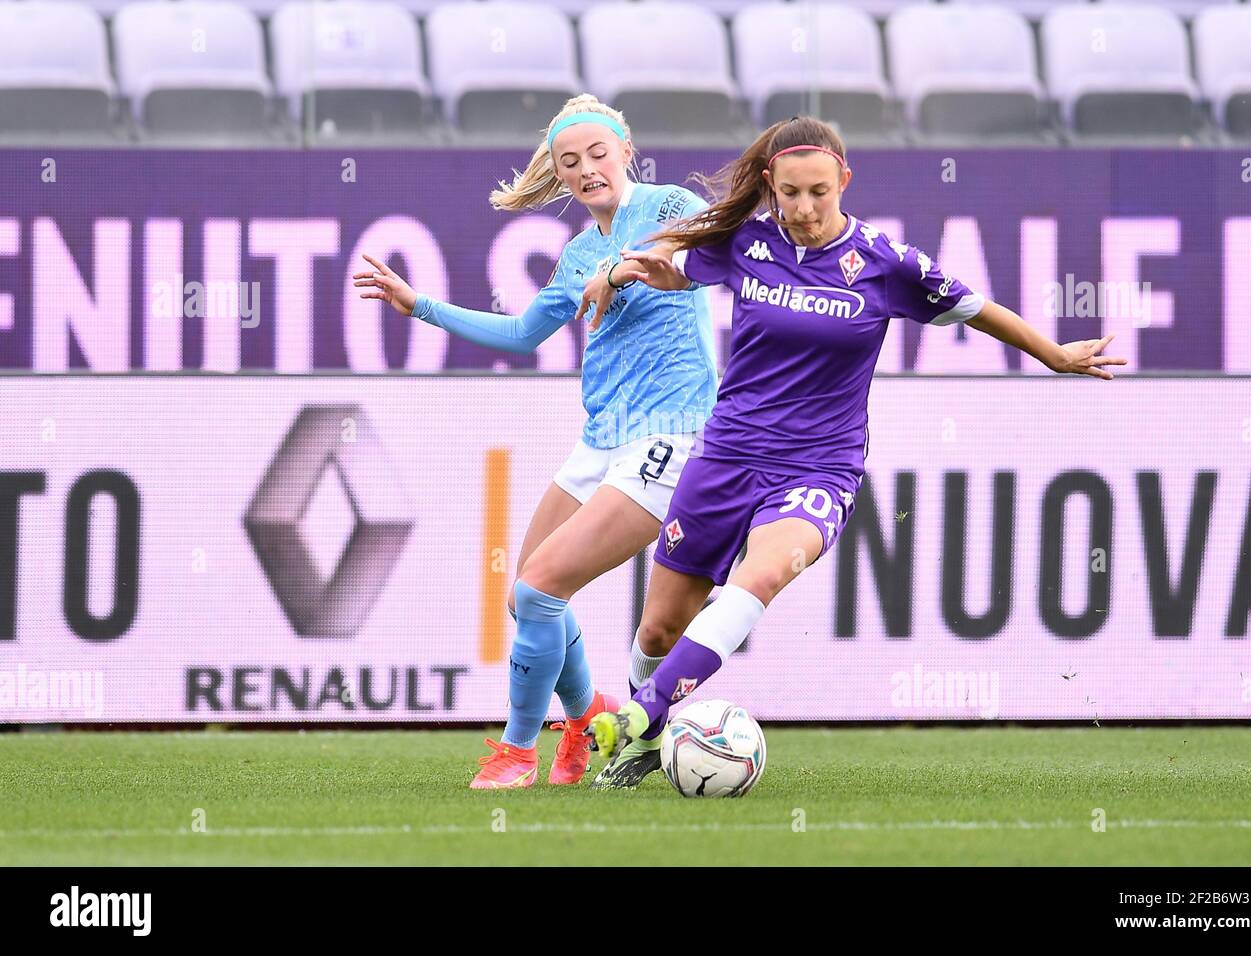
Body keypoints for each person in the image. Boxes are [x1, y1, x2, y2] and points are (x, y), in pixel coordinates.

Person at [583, 116, 1128, 779]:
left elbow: (978, 308)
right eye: (790, 193)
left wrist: (1052, 355)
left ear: (844, 180)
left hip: (818, 466)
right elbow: (677, 259)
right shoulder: (746, 246)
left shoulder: (885, 264)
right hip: (725, 457)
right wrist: (627, 271)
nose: (806, 208)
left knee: (762, 575)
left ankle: (642, 714)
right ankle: (647, 730)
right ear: (769, 186)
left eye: (819, 192)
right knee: (657, 633)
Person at [354, 94, 717, 789]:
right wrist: (418, 305)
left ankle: (519, 753)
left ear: (626, 150)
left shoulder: (667, 206)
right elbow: (523, 333)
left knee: (542, 586)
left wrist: (618, 271)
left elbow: (675, 253)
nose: (585, 170)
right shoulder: (577, 253)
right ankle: (586, 721)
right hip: (601, 439)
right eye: (568, 162)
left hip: (670, 433)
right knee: (528, 599)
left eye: (596, 154)